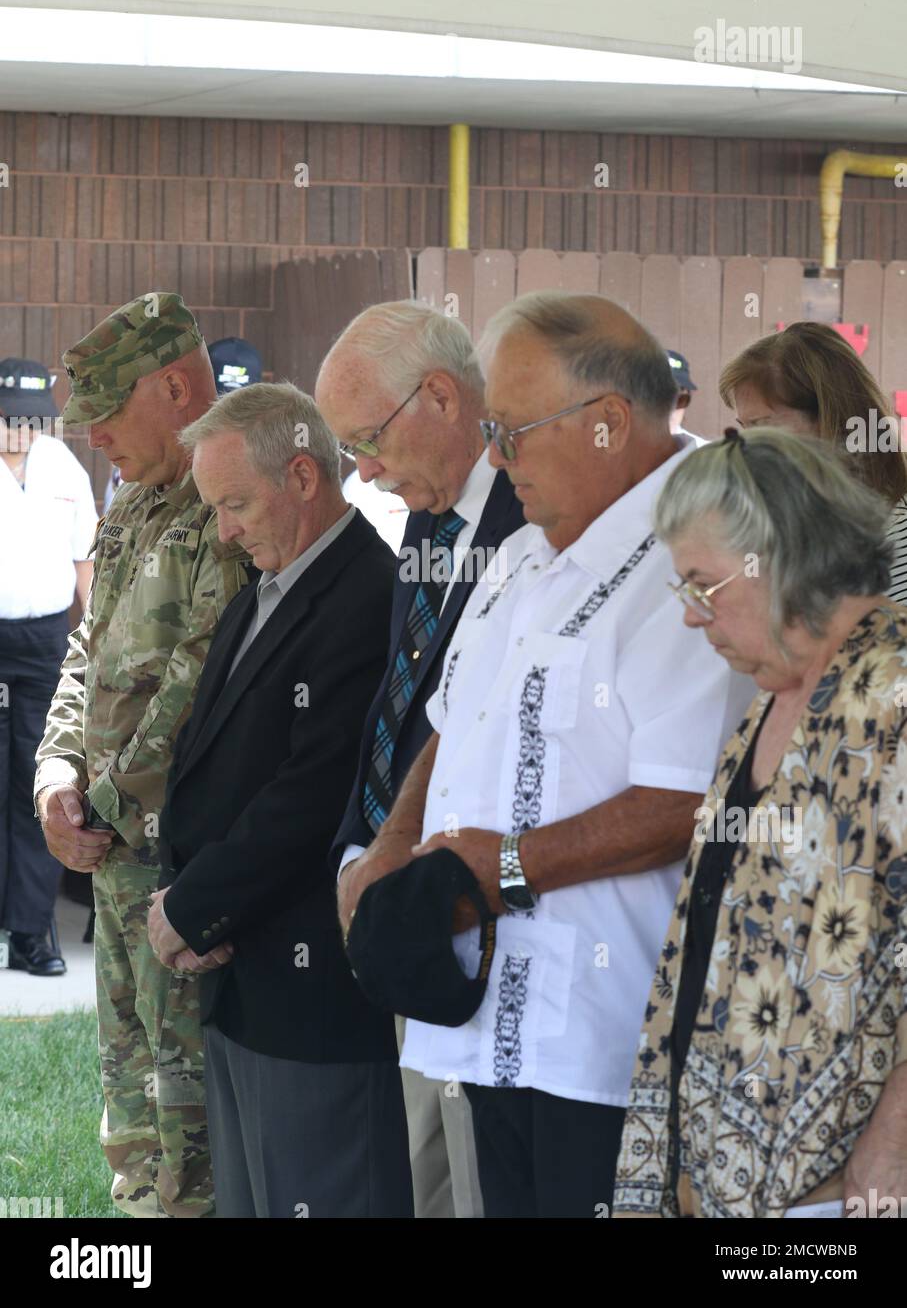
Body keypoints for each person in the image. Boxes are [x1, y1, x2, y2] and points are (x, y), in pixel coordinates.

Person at [338, 291, 756, 1218]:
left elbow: (688, 799)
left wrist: (504, 868)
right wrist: (393, 851)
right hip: (487, 1023)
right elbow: (451, 721)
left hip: (605, 1045)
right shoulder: (523, 553)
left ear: (608, 424)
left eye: (512, 431)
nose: (494, 455)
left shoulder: (690, 559)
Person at [614, 427, 907, 1219]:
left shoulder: (892, 693)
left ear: (781, 557)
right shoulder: (774, 697)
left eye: (701, 587)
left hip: (837, 1186)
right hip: (723, 1167)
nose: (688, 619)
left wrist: (893, 1143)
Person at [148, 383, 413, 1218]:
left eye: (235, 503)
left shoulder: (368, 592)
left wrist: (196, 908)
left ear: (304, 476)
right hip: (239, 979)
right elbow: (214, 765)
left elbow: (315, 791)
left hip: (311, 992)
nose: (223, 529)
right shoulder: (269, 580)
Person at [34, 294, 251, 1218]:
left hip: (175, 864)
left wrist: (106, 810)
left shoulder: (229, 496)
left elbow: (201, 680)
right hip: (114, 853)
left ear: (175, 386)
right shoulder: (136, 500)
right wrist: (56, 777)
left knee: (190, 1123)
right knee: (134, 1121)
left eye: (108, 416)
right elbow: (88, 649)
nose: (96, 442)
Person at [315, 300, 525, 1219]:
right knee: (425, 1184)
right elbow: (398, 708)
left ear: (440, 397)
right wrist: (360, 850)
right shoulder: (424, 520)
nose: (363, 471)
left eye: (369, 439)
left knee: (484, 1180)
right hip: (400, 897)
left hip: (487, 921)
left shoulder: (534, 513)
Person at [0, 359, 96, 975]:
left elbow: (84, 554)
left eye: (31, 420)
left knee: (38, 781)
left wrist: (93, 636)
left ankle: (32, 932)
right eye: (10, 417)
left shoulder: (62, 465)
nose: (20, 431)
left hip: (44, 643)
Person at [720, 321, 907, 602]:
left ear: (831, 421)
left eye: (764, 425)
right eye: (746, 427)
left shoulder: (895, 535)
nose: (749, 444)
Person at [666, 349, 706, 446]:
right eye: (657, 398)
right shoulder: (623, 452)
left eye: (680, 399)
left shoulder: (706, 455)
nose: (670, 408)